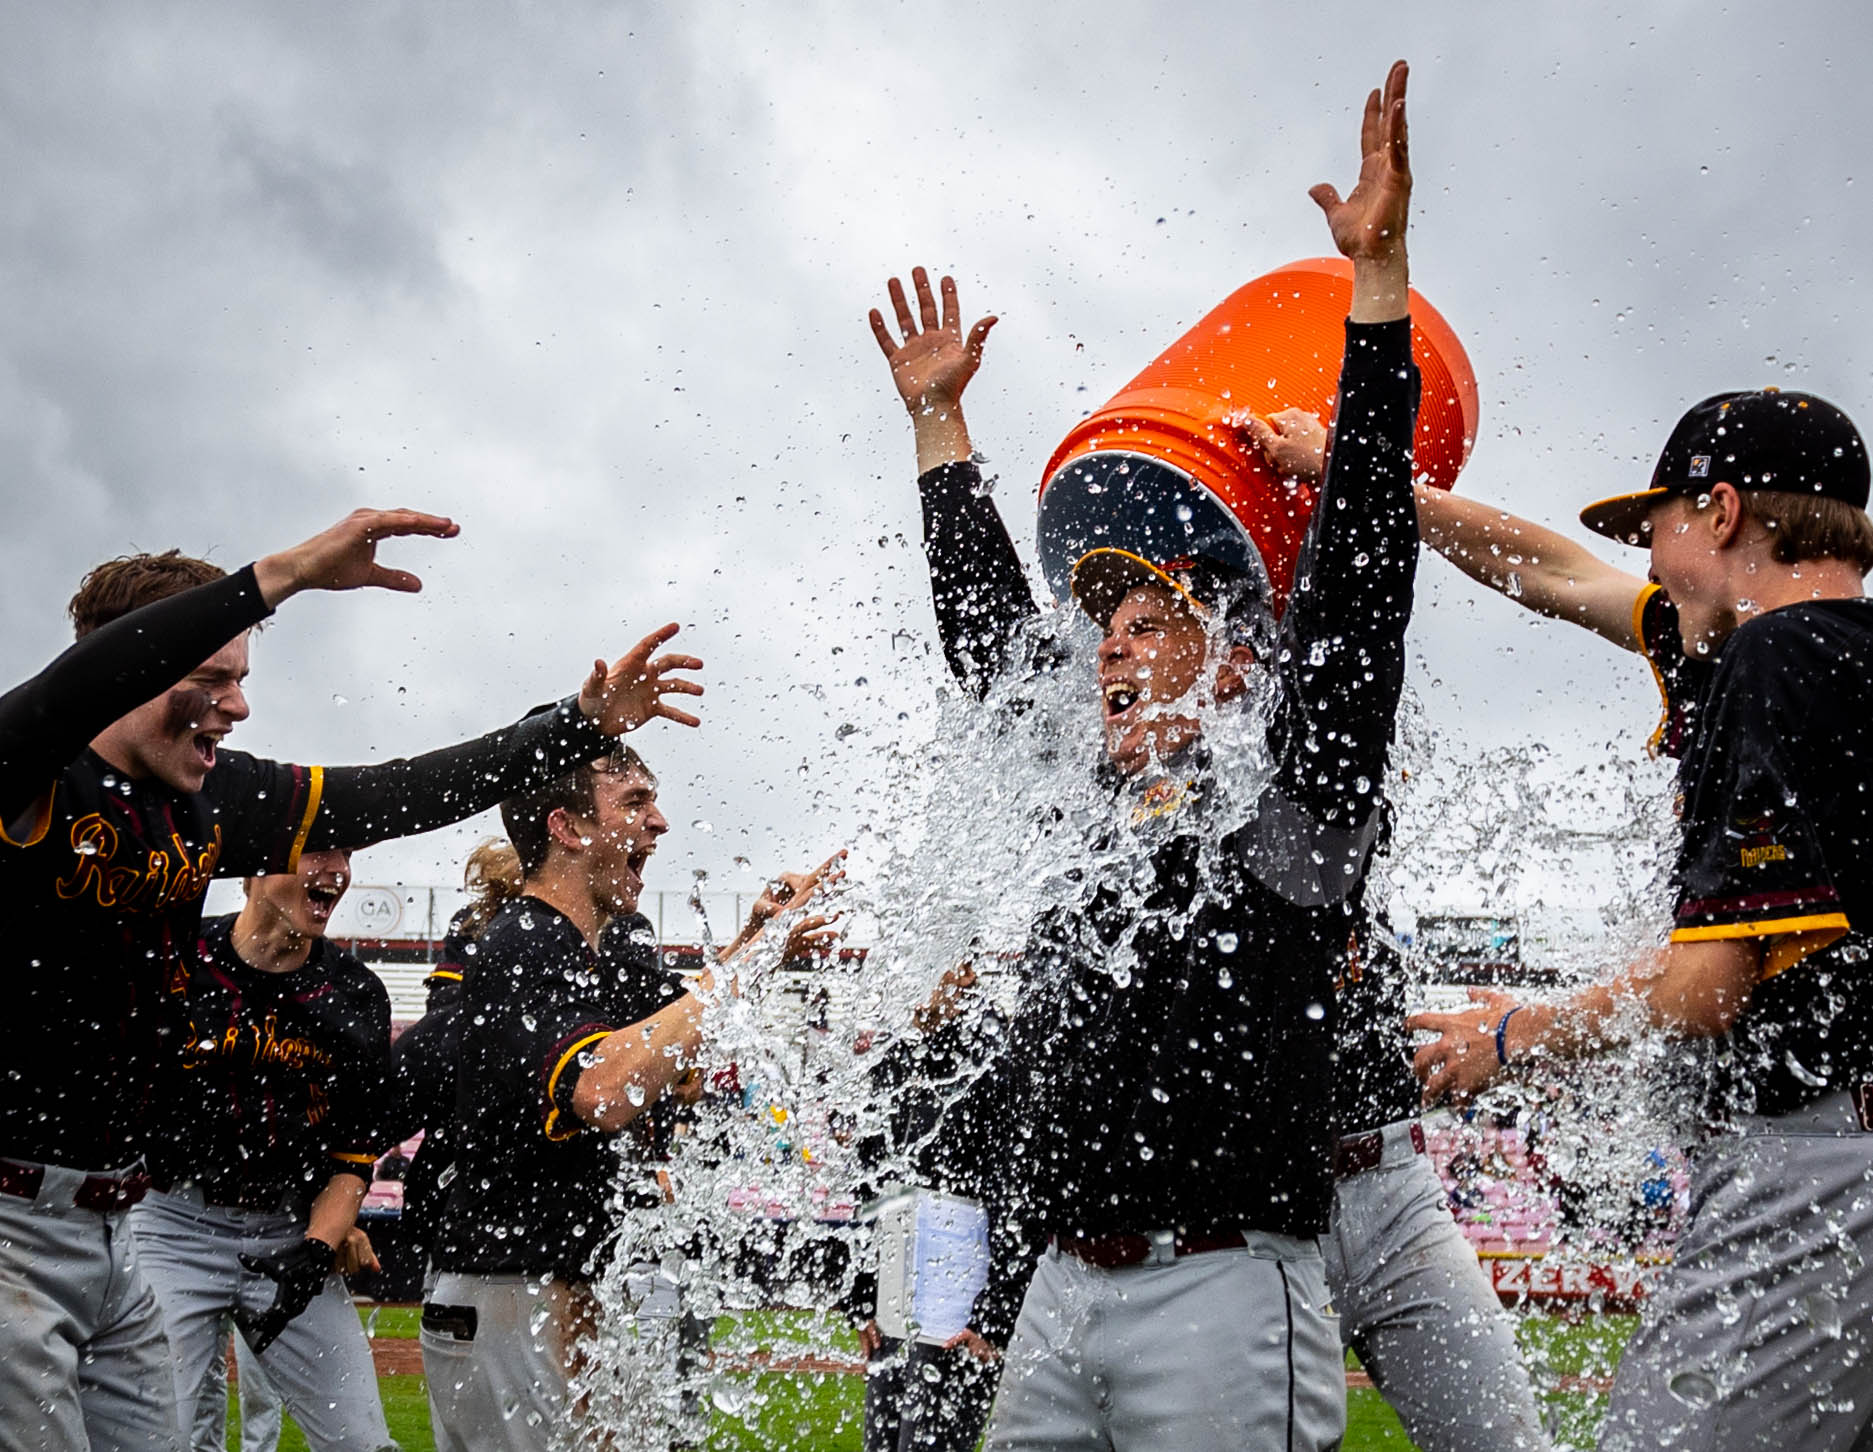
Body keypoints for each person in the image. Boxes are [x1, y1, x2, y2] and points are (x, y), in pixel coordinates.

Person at [867, 60, 1419, 1450]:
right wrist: (940, 429)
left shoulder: (1291, 817)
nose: (1106, 651)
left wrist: (1374, 295)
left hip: (1224, 1294)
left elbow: (1359, 591)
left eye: (1147, 623)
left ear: (1231, 663)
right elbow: (994, 654)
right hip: (1059, 1290)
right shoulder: (1087, 820)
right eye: (1102, 628)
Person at [0, 507, 704, 1452]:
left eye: (242, 681)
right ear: (129, 665)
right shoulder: (28, 774)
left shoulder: (211, 799)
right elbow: (63, 696)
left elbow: (401, 792)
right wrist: (280, 576)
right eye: (211, 680)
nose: (238, 707)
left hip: (114, 1220)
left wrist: (575, 728)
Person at [1408, 388, 1873, 1450]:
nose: (1649, 562)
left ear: (1720, 512)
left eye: (1657, 528)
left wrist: (1513, 1035)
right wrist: (1380, 486)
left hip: (1822, 1166)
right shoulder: (1819, 652)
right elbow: (1554, 574)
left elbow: (1705, 993)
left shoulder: (1774, 658)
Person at [1238, 424, 1553, 1450]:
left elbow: (1355, 610)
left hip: (1387, 1179)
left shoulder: (1325, 765)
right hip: (1251, 1211)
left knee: (1504, 1442)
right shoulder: (1178, 796)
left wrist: (1343, 466)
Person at [421, 750, 834, 1452]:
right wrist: (757, 956)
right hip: (508, 1292)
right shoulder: (525, 940)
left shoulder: (588, 948)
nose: (660, 822)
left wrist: (756, 939)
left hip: (547, 1292)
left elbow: (674, 1053)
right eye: (635, 802)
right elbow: (606, 1090)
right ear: (567, 827)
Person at [130, 848, 399, 1450]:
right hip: (171, 1225)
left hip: (291, 1227)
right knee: (153, 1437)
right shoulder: (178, 957)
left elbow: (353, 1156)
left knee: (361, 1442)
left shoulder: (355, 991)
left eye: (345, 854)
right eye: (315, 851)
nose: (336, 870)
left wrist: (318, 1247)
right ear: (254, 868)